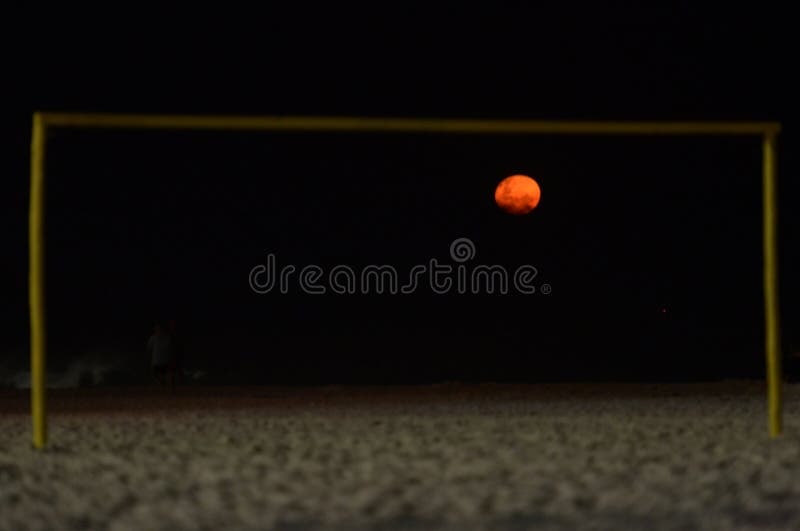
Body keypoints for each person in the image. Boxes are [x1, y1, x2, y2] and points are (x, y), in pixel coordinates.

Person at [147, 321, 176, 387]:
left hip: (161, 362)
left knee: (167, 373)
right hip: (160, 362)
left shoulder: (155, 338)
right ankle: (165, 383)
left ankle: (168, 385)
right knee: (165, 373)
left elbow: (149, 348)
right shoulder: (156, 338)